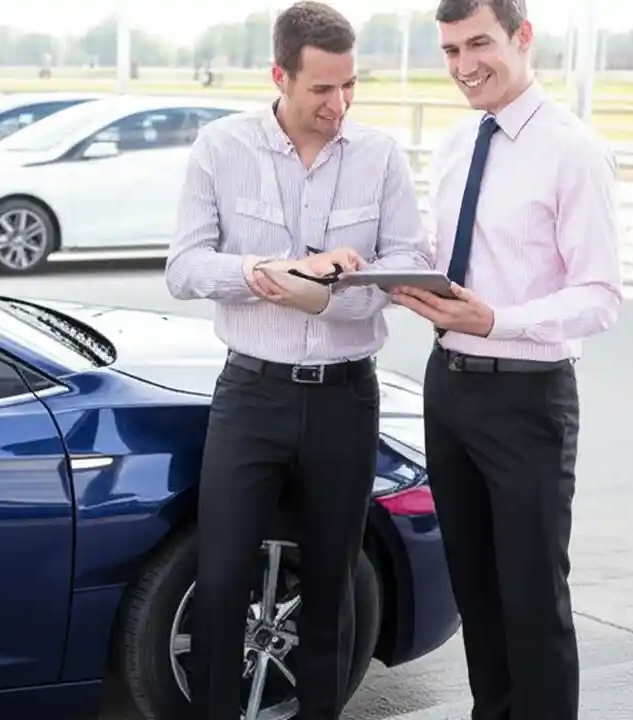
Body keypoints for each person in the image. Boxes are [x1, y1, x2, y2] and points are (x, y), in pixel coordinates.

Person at [164, 2, 432, 718]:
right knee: (220, 579)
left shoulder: (378, 155)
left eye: (350, 87)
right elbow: (184, 267)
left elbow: (410, 260)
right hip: (250, 396)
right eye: (321, 89)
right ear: (279, 75)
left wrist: (332, 296)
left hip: (346, 398)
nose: (338, 105)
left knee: (334, 585)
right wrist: (275, 272)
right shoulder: (221, 147)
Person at [391, 1, 623, 718]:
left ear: (523, 38)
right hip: (448, 388)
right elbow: (454, 256)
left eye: (480, 44)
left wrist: (497, 319)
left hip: (528, 398)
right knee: (477, 594)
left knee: (531, 599)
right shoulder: (458, 143)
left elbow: (600, 296)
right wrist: (393, 275)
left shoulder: (573, 149)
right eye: (451, 51)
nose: (465, 67)